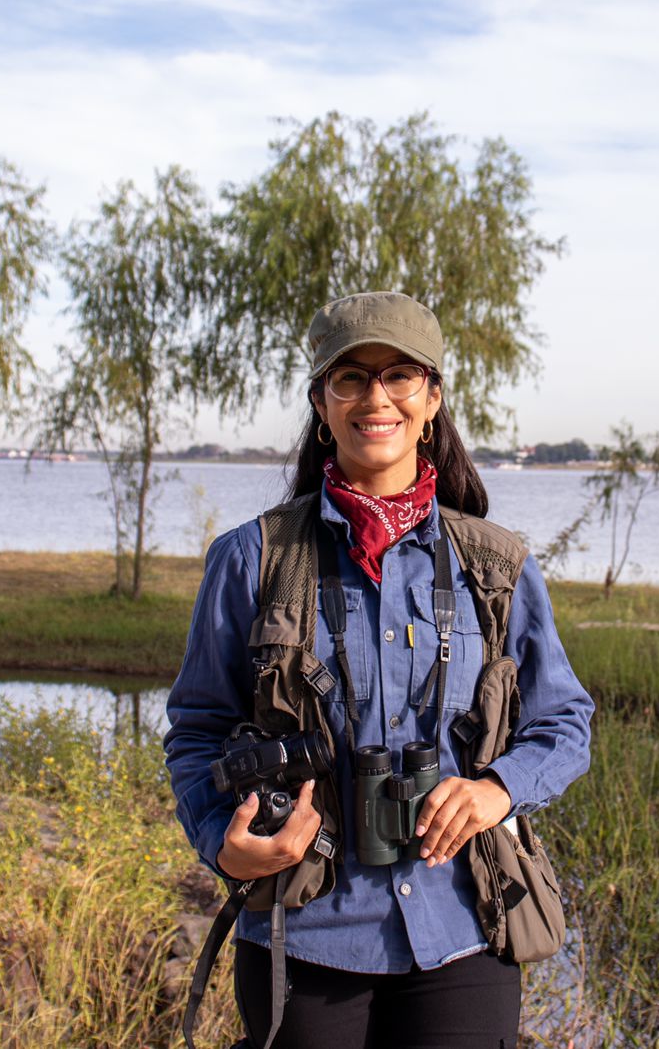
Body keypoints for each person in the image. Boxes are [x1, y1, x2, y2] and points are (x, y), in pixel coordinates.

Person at [164, 291, 593, 1048]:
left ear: (431, 399)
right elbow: (196, 729)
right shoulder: (251, 559)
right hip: (301, 930)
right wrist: (221, 841)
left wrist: (496, 791)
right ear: (321, 404)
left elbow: (564, 723)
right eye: (350, 378)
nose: (375, 398)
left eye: (399, 375)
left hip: (465, 923)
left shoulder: (495, 565)